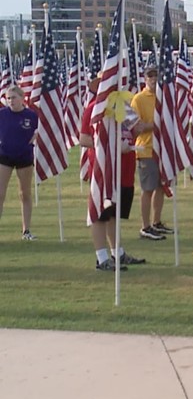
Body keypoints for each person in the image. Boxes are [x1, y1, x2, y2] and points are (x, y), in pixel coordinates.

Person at [78, 79, 146, 271]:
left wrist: (130, 136)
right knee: (101, 213)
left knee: (114, 214)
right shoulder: (94, 109)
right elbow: (83, 138)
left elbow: (138, 128)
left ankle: (118, 252)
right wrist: (110, 146)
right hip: (103, 169)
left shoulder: (123, 106)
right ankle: (101, 257)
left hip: (124, 169)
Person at [131, 66, 171, 241]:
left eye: (156, 75)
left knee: (161, 187)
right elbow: (136, 127)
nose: (153, 79)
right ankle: (145, 226)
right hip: (146, 150)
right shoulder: (138, 99)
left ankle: (156, 222)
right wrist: (157, 125)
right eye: (150, 76)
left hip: (162, 149)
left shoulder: (163, 96)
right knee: (147, 189)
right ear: (145, 78)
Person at [0, 86, 37, 240]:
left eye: (14, 97)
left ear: (22, 98)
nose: (11, 101)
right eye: (8, 98)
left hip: (24, 157)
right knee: (0, 193)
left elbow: (38, 132)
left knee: (25, 193)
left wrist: (31, 142)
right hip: (4, 156)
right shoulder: (2, 114)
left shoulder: (31, 115)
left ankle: (26, 231)